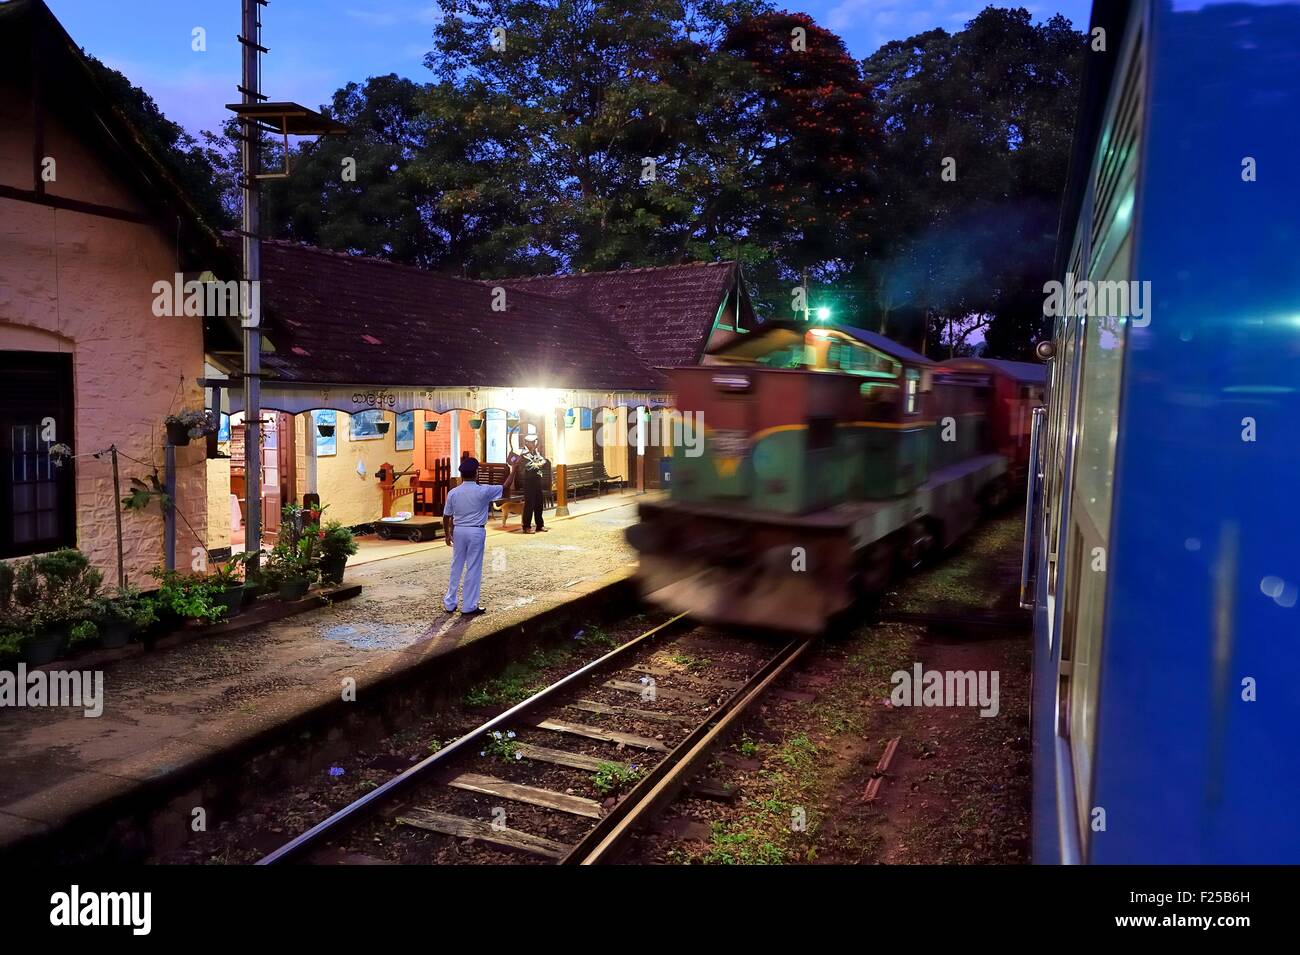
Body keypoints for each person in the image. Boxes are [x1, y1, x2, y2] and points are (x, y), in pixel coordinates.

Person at [443, 457, 512, 615]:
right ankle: (469, 605)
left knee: (456, 566)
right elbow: (506, 486)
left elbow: (447, 516)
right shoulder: (483, 491)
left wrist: (448, 535)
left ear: (461, 475)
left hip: (459, 531)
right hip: (476, 531)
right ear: (476, 473)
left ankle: (450, 602)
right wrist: (513, 468)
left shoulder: (453, 493)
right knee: (473, 567)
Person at [517, 435, 550, 534]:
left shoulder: (535, 452)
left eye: (535, 442)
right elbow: (529, 467)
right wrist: (538, 464)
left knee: (539, 503)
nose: (535, 444)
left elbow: (543, 461)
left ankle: (540, 525)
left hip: (536, 480)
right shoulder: (524, 454)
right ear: (527, 443)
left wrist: (538, 463)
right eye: (533, 442)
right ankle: (526, 526)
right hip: (528, 481)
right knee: (529, 504)